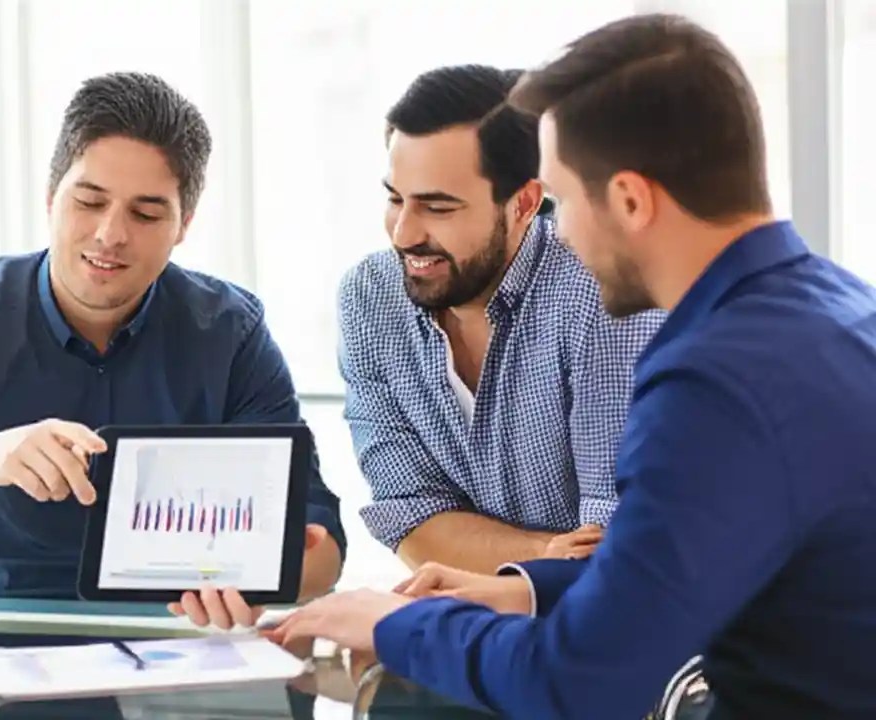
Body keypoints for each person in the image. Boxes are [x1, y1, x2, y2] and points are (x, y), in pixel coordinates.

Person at [269, 14, 876, 719]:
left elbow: (580, 680)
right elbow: (678, 573)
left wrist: (391, 625)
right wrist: (523, 587)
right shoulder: (837, 309)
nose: (560, 234)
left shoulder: (712, 382)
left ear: (627, 200)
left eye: (560, 198)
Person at [0, 72, 346, 629]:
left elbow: (320, 548)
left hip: (169, 656)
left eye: (145, 214)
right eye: (89, 202)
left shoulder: (230, 331)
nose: (110, 234)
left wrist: (265, 578)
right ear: (50, 198)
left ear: (183, 224)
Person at [339, 65, 662, 573]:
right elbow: (408, 516)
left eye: (438, 207)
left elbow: (614, 548)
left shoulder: (602, 297)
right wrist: (543, 552)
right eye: (395, 198)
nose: (403, 233)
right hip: (479, 620)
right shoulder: (371, 298)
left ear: (524, 204)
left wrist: (483, 553)